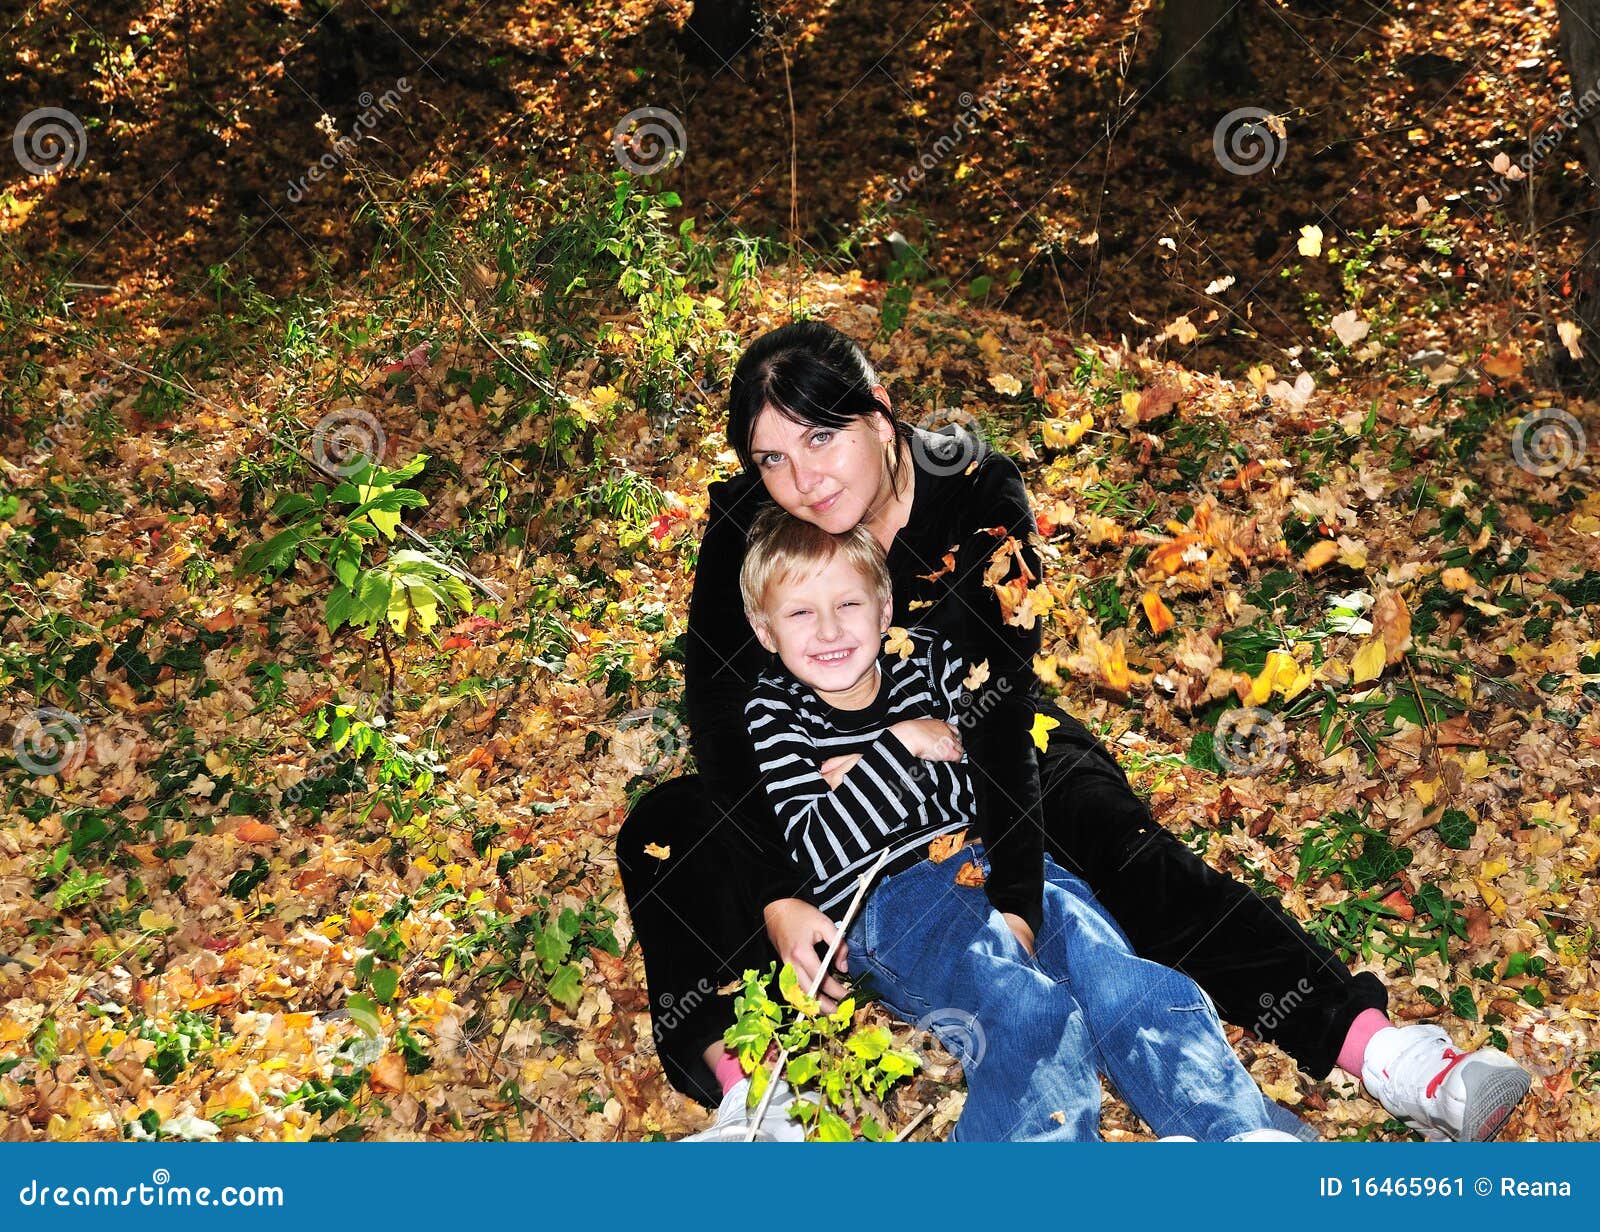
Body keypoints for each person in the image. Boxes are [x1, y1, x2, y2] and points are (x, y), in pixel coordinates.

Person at [616, 319, 1530, 1143]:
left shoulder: (972, 487)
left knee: (1113, 841)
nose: (801, 480)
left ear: (881, 412)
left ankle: (1385, 1053)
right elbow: (725, 718)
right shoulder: (748, 522)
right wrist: (780, 893)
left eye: (822, 437)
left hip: (981, 744)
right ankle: (754, 1098)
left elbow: (998, 707)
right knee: (671, 827)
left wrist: (1015, 895)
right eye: (771, 457)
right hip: (809, 759)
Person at [710, 505, 1302, 1141]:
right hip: (895, 901)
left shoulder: (930, 661)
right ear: (765, 629)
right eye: (800, 613)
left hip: (1007, 865)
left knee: (1116, 972)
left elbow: (994, 775)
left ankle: (1233, 1132)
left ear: (885, 610)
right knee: (1021, 1005)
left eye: (848, 605)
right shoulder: (773, 713)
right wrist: (903, 744)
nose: (829, 629)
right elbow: (819, 849)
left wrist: (857, 779)